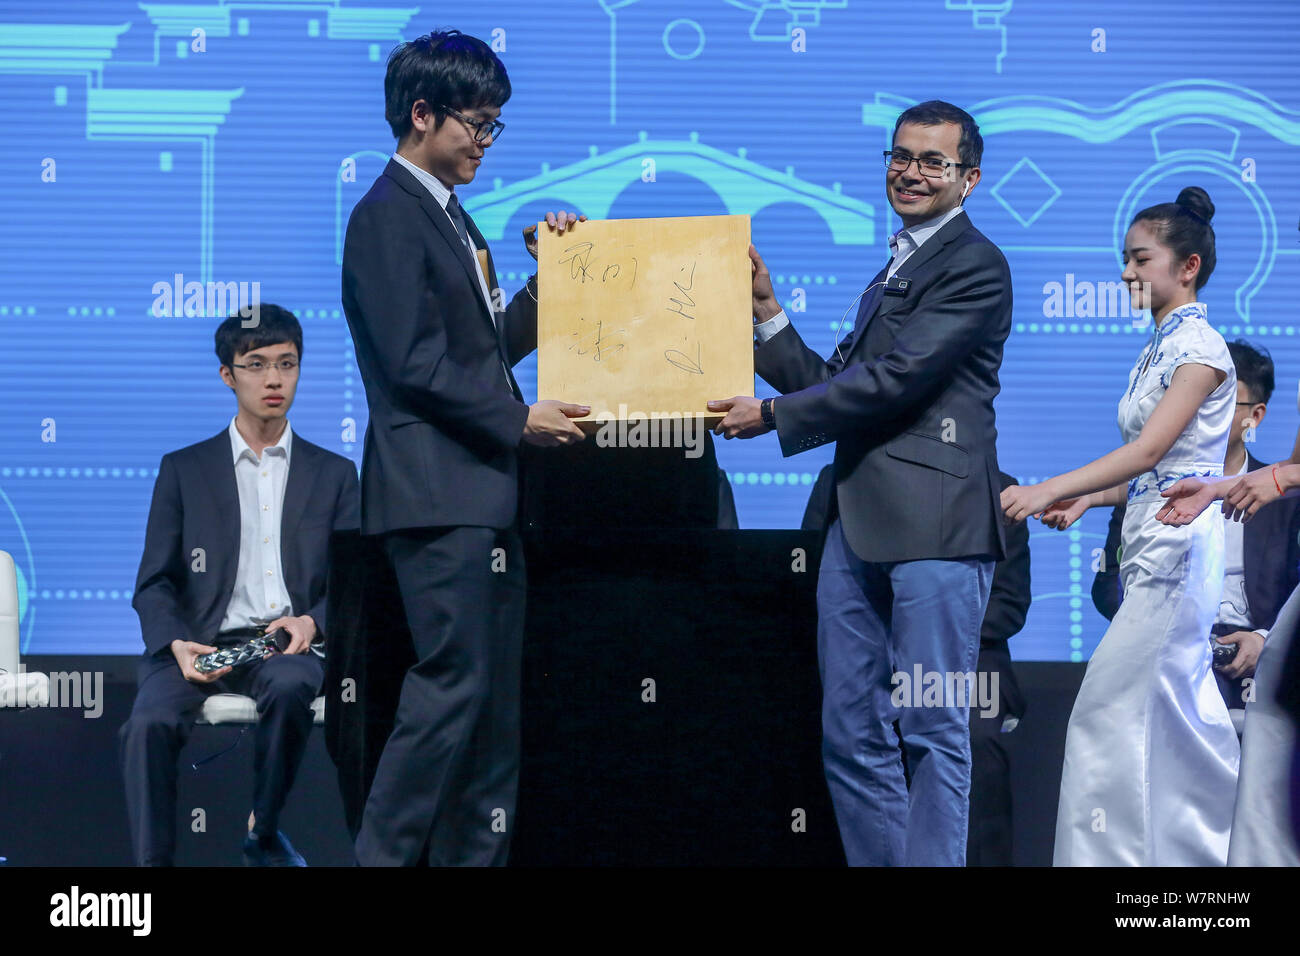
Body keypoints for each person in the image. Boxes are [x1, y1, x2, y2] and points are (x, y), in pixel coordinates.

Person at [712, 100, 1013, 866]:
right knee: (850, 731)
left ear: (969, 179)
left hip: (937, 530)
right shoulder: (893, 268)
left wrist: (775, 412)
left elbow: (896, 381)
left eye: (932, 161)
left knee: (932, 730)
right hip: (855, 527)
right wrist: (768, 315)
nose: (910, 171)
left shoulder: (975, 264)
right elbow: (837, 383)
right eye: (900, 155)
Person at [340, 30, 586, 866]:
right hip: (437, 495)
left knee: (489, 712)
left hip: (483, 496)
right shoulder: (385, 215)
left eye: (494, 126)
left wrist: (550, 282)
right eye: (477, 124)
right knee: (452, 693)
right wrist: (518, 423)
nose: (485, 141)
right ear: (421, 114)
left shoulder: (451, 215)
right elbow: (414, 364)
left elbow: (484, 352)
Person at [1003, 187, 1238, 866]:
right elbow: (1147, 472)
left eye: (1141, 259)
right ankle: (1201, 857)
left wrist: (1050, 486)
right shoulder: (1158, 345)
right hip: (1149, 544)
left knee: (1107, 713)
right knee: (1174, 720)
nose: (1127, 274)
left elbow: (1149, 453)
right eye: (1125, 260)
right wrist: (1089, 501)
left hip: (1178, 551)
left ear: (1187, 266)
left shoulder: (1200, 348)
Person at [120, 305, 360, 866]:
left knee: (291, 684)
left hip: (288, 645)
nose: (274, 379)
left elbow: (355, 584)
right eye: (256, 365)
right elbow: (153, 582)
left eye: (287, 364)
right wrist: (177, 644)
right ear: (227, 375)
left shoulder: (334, 474)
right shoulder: (184, 469)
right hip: (202, 644)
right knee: (146, 724)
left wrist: (311, 621)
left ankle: (264, 829)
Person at [1156, 379, 1300, 866]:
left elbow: (1286, 477)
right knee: (1267, 801)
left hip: (1268, 641)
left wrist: (1281, 481)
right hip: (1194, 651)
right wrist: (1216, 490)